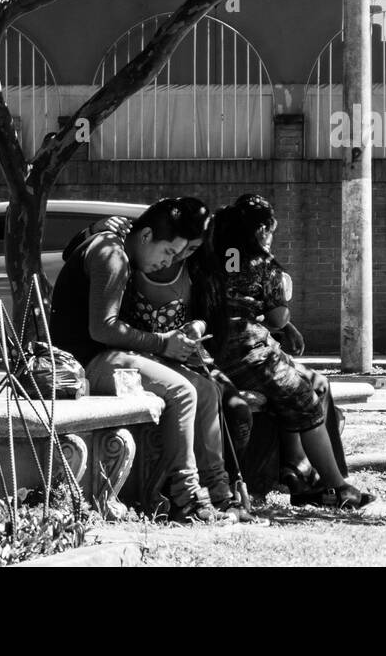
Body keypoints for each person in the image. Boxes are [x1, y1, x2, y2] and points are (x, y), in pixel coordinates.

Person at [48, 198, 241, 525]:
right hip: (86, 362)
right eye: (168, 252)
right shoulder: (113, 256)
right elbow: (103, 328)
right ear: (147, 235)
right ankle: (187, 497)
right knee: (182, 391)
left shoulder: (118, 245)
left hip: (108, 354)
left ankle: (218, 491)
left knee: (206, 389)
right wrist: (163, 343)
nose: (169, 262)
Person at [200, 193, 374, 510]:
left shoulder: (211, 253)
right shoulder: (261, 262)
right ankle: (336, 486)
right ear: (262, 229)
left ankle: (299, 472)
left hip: (215, 347)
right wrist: (284, 322)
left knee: (316, 383)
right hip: (249, 352)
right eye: (271, 230)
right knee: (304, 399)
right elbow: (278, 316)